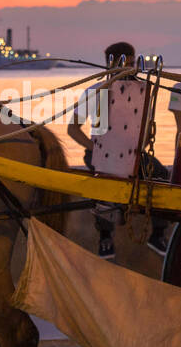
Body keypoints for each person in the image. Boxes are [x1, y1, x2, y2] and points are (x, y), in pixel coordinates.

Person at [67, 41, 170, 258]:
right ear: (109, 66)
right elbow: (73, 129)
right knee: (103, 185)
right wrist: (94, 148)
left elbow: (145, 127)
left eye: (131, 64)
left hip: (133, 153)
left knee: (162, 176)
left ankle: (158, 233)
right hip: (98, 150)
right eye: (122, 65)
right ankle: (105, 237)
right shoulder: (94, 91)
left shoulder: (142, 92)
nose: (128, 70)